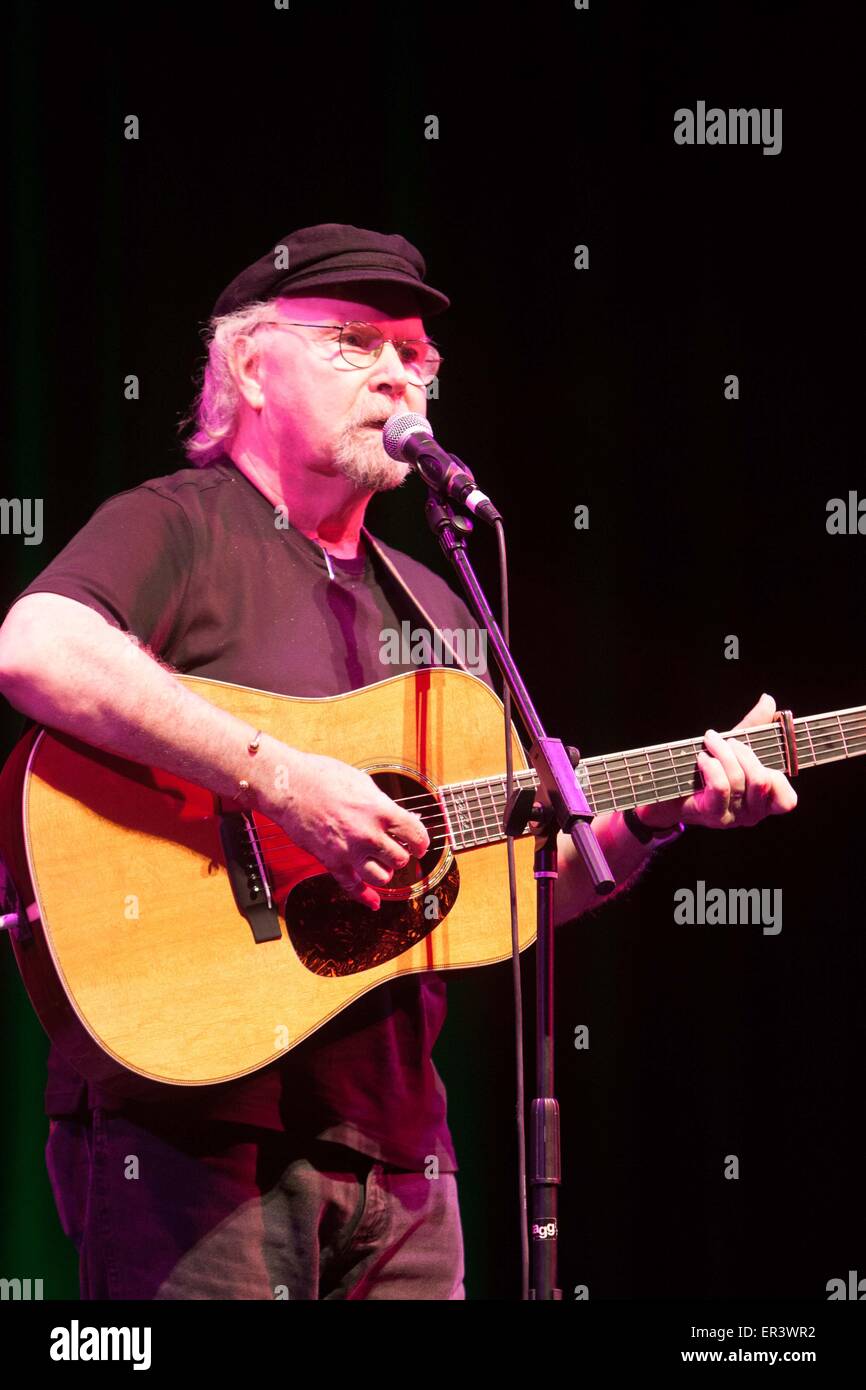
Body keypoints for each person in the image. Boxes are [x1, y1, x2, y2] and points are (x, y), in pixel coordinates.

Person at [0, 222, 797, 1300]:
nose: (397, 376)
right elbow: (37, 647)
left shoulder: (434, 604)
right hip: (191, 1132)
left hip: (403, 1159)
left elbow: (513, 884)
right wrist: (281, 779)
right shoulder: (179, 529)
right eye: (354, 341)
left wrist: (658, 818)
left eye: (415, 355)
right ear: (247, 361)